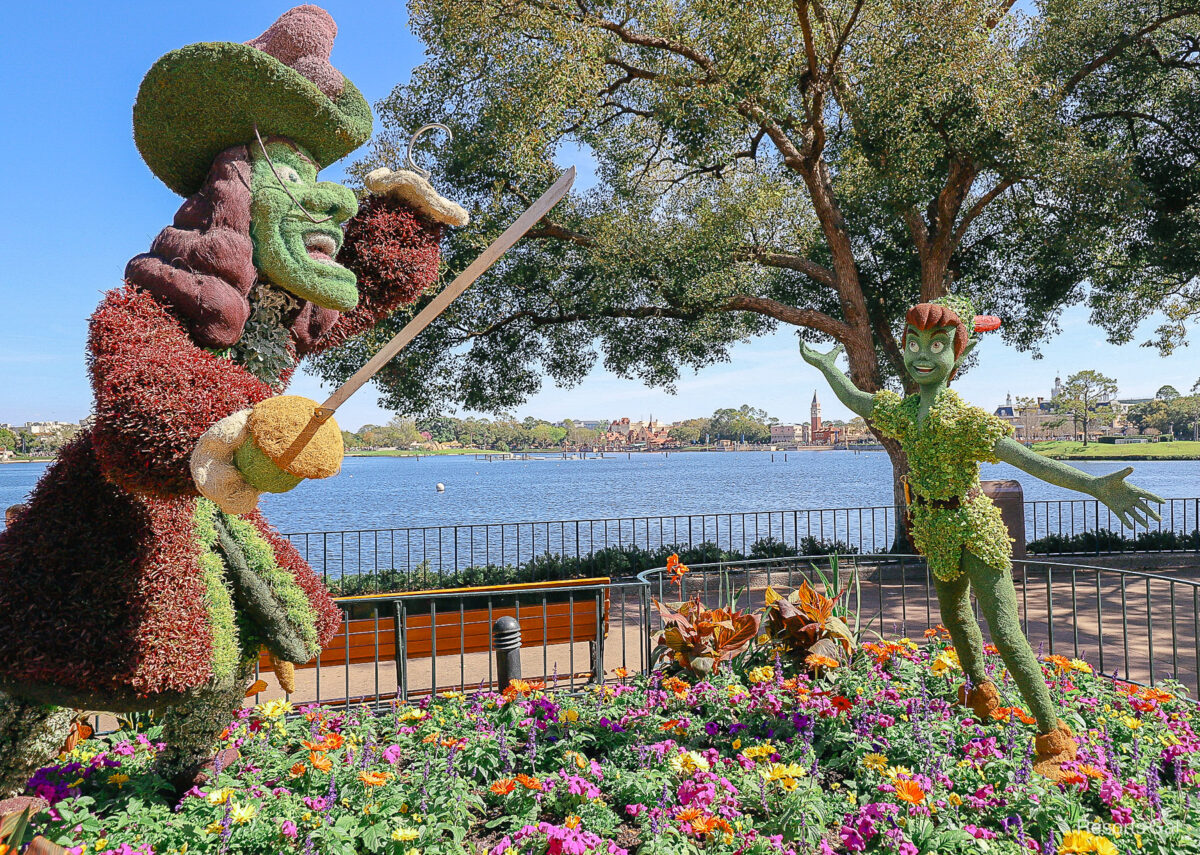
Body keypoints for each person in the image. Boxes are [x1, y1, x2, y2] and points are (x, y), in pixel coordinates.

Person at [0, 5, 467, 795]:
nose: (333, 204)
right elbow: (141, 391)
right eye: (293, 180)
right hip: (116, 519)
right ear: (235, 199)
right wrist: (241, 424)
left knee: (220, 665)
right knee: (47, 681)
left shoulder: (278, 317)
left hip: (213, 514)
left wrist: (407, 223)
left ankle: (179, 799)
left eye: (326, 184)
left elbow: (355, 295)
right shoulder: (152, 304)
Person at [801, 295, 1163, 779]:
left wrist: (1095, 485)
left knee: (1006, 634)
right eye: (914, 344)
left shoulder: (966, 420)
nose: (923, 355)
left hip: (974, 529)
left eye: (937, 344)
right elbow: (856, 400)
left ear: (957, 354)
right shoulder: (906, 412)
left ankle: (1054, 739)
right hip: (936, 531)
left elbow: (1029, 461)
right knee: (954, 618)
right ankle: (980, 695)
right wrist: (829, 368)